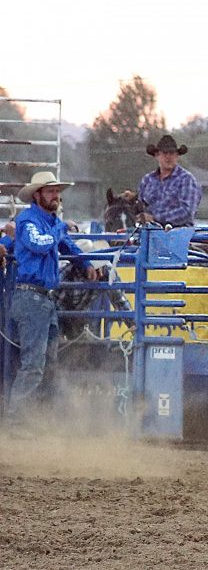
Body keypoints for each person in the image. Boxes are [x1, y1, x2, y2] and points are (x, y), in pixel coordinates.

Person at [6, 172, 98, 430]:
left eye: (57, 192)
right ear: (37, 195)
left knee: (47, 362)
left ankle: (37, 419)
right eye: (50, 192)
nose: (56, 196)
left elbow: (68, 246)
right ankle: (16, 421)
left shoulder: (49, 222)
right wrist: (61, 228)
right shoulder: (27, 221)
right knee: (34, 363)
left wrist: (87, 263)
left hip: (44, 300)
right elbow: (40, 244)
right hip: (31, 297)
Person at [137, 134, 202, 227]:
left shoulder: (186, 180)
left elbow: (187, 213)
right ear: (157, 155)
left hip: (178, 235)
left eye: (171, 153)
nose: (168, 157)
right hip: (148, 234)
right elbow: (140, 207)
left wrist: (155, 218)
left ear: (177, 156)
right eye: (164, 153)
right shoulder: (147, 180)